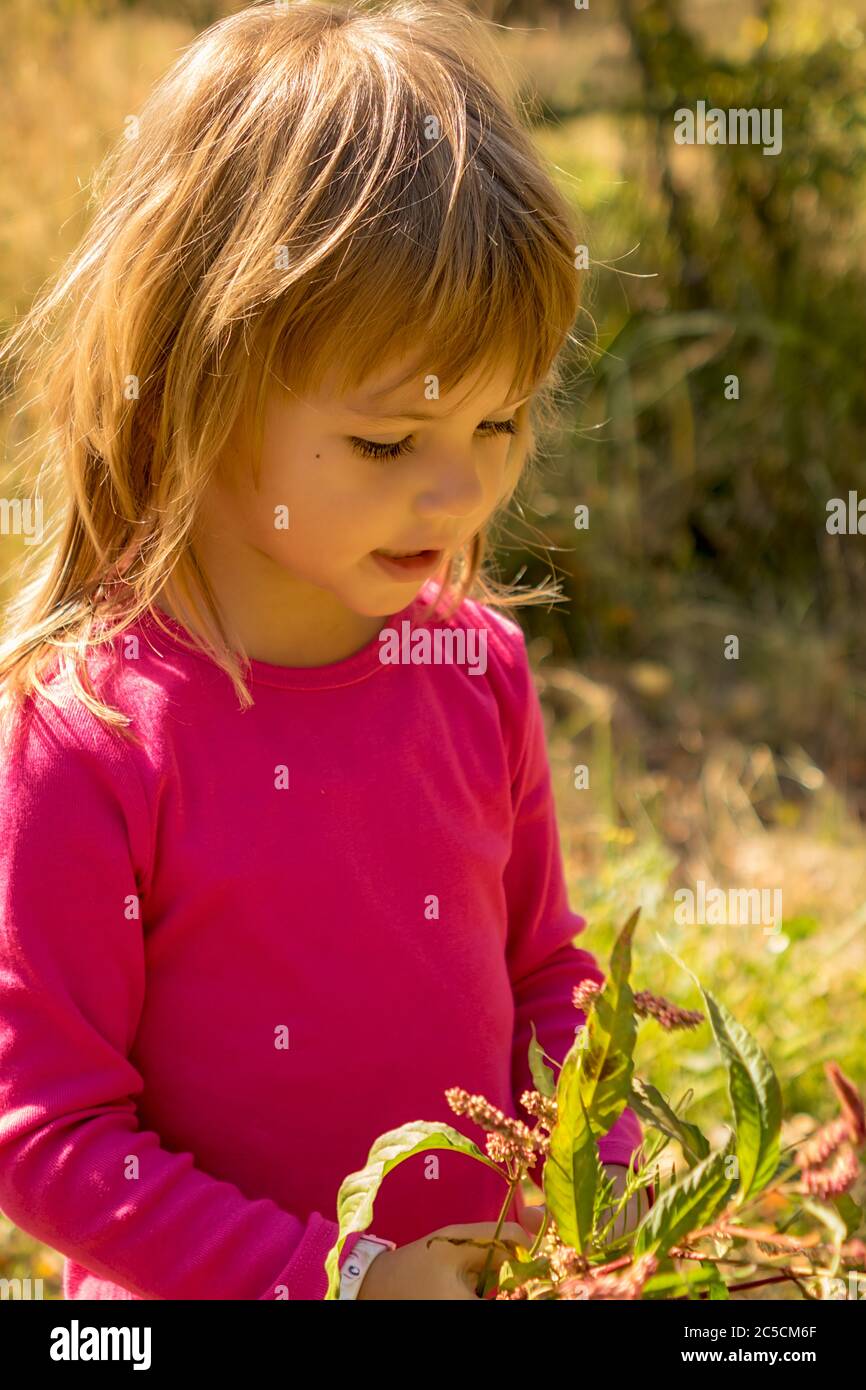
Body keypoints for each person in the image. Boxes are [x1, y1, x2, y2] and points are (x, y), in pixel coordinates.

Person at [0, 0, 649, 1301]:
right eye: (385, 442)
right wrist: (337, 1279)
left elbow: (545, 971)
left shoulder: (472, 670)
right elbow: (48, 1137)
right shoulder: (93, 741)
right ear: (201, 376)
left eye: (501, 423)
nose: (457, 493)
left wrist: (611, 1176)